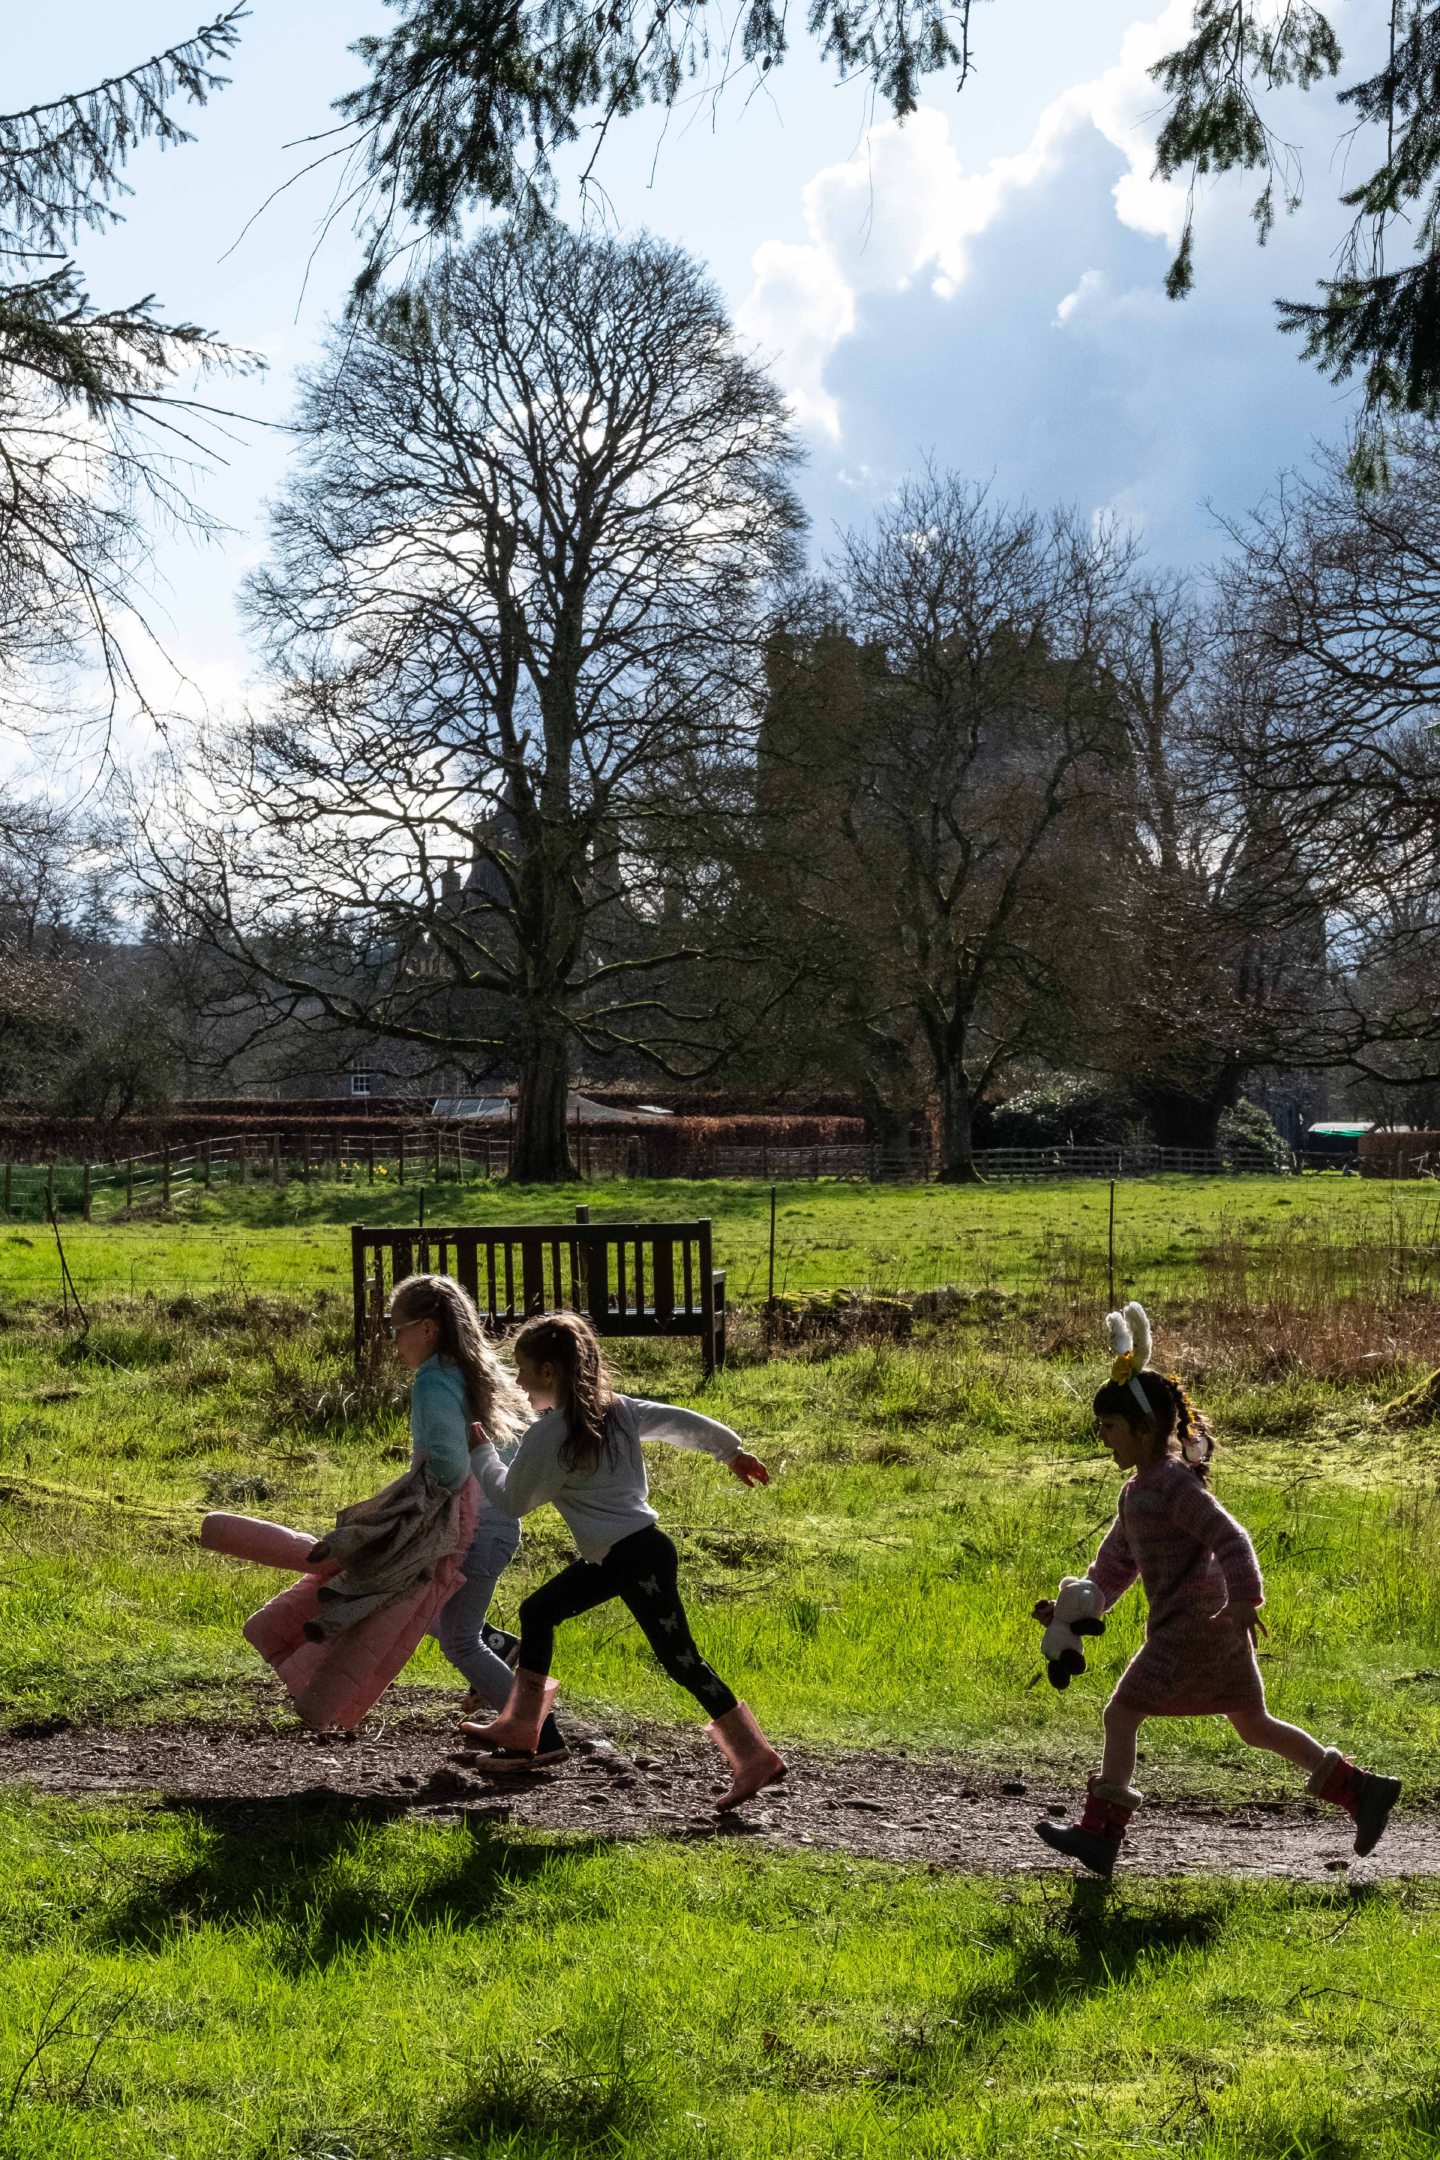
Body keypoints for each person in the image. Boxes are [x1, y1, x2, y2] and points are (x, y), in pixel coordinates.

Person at [1033, 1301, 1401, 1878]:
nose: (1104, 1440)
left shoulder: (1173, 1485)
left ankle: (1100, 1836)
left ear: (1145, 1427)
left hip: (1197, 1627)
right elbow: (1116, 1563)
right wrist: (1077, 1607)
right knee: (1254, 1726)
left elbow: (1231, 1537)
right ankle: (1361, 1791)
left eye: (1110, 1429)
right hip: (1204, 1627)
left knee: (1122, 1711)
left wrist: (1245, 1601)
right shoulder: (1136, 1493)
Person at [460, 1309, 787, 1811]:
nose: (520, 1383)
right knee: (539, 1612)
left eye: (524, 1370)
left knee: (680, 1660)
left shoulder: (550, 1435)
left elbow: (511, 1501)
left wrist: (483, 1454)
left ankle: (754, 1757)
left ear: (549, 1371)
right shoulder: (618, 1410)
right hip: (632, 1551)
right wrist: (730, 1451)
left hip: (631, 1557)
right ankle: (524, 1726)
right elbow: (680, 1421)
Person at [386, 1273, 569, 1766]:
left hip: (468, 1527)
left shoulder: (431, 1380)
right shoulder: (480, 1369)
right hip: (496, 1524)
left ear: (426, 1329)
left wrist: (400, 1507)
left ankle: (538, 1737)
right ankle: (502, 1654)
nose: (392, 1339)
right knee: (425, 1611)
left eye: (395, 1326)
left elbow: (446, 1466)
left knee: (457, 1638)